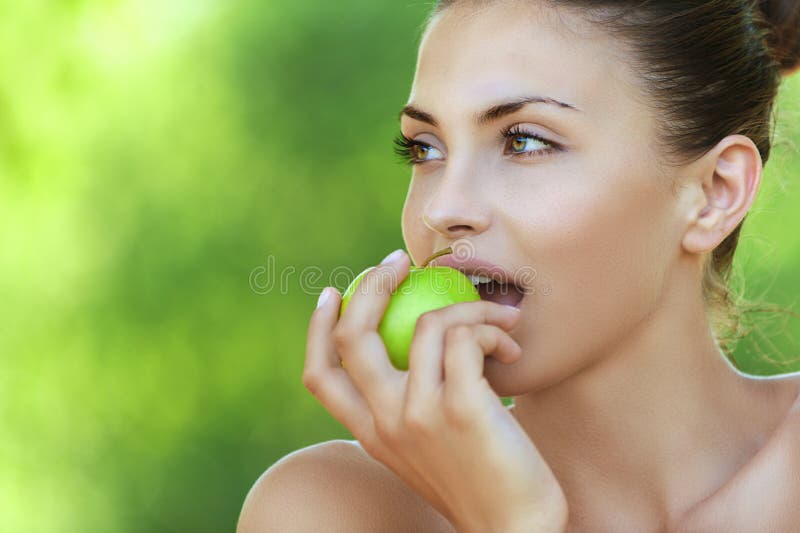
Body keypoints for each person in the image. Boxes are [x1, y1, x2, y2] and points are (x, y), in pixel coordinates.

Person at [238, 1, 800, 531]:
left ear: (714, 193)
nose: (443, 209)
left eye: (524, 141)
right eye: (426, 149)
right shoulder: (335, 510)